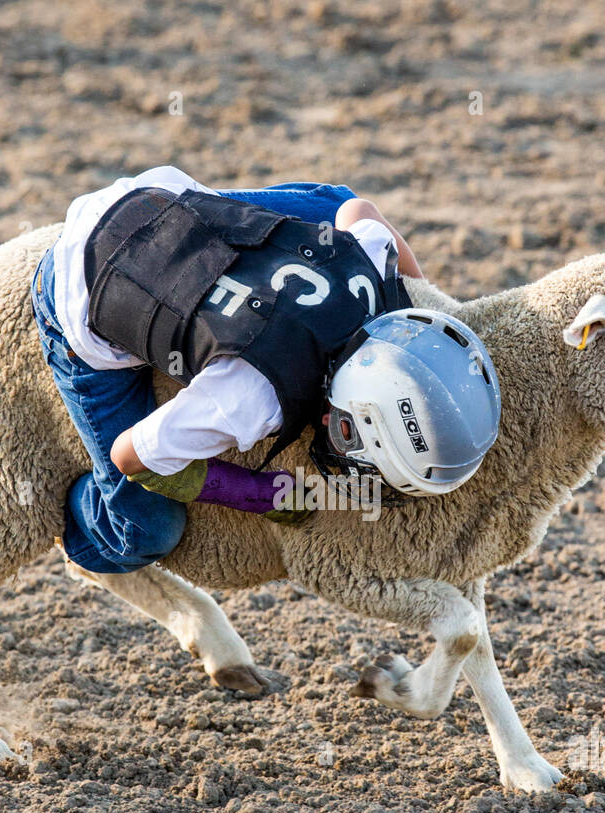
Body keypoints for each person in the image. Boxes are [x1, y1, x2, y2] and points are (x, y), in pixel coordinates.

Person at [31, 165, 498, 575]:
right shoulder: (251, 398)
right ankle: (72, 521)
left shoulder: (373, 277)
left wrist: (420, 295)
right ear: (345, 418)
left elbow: (361, 213)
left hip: (158, 197)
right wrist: (259, 493)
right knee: (145, 531)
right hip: (77, 279)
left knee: (336, 203)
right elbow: (131, 457)